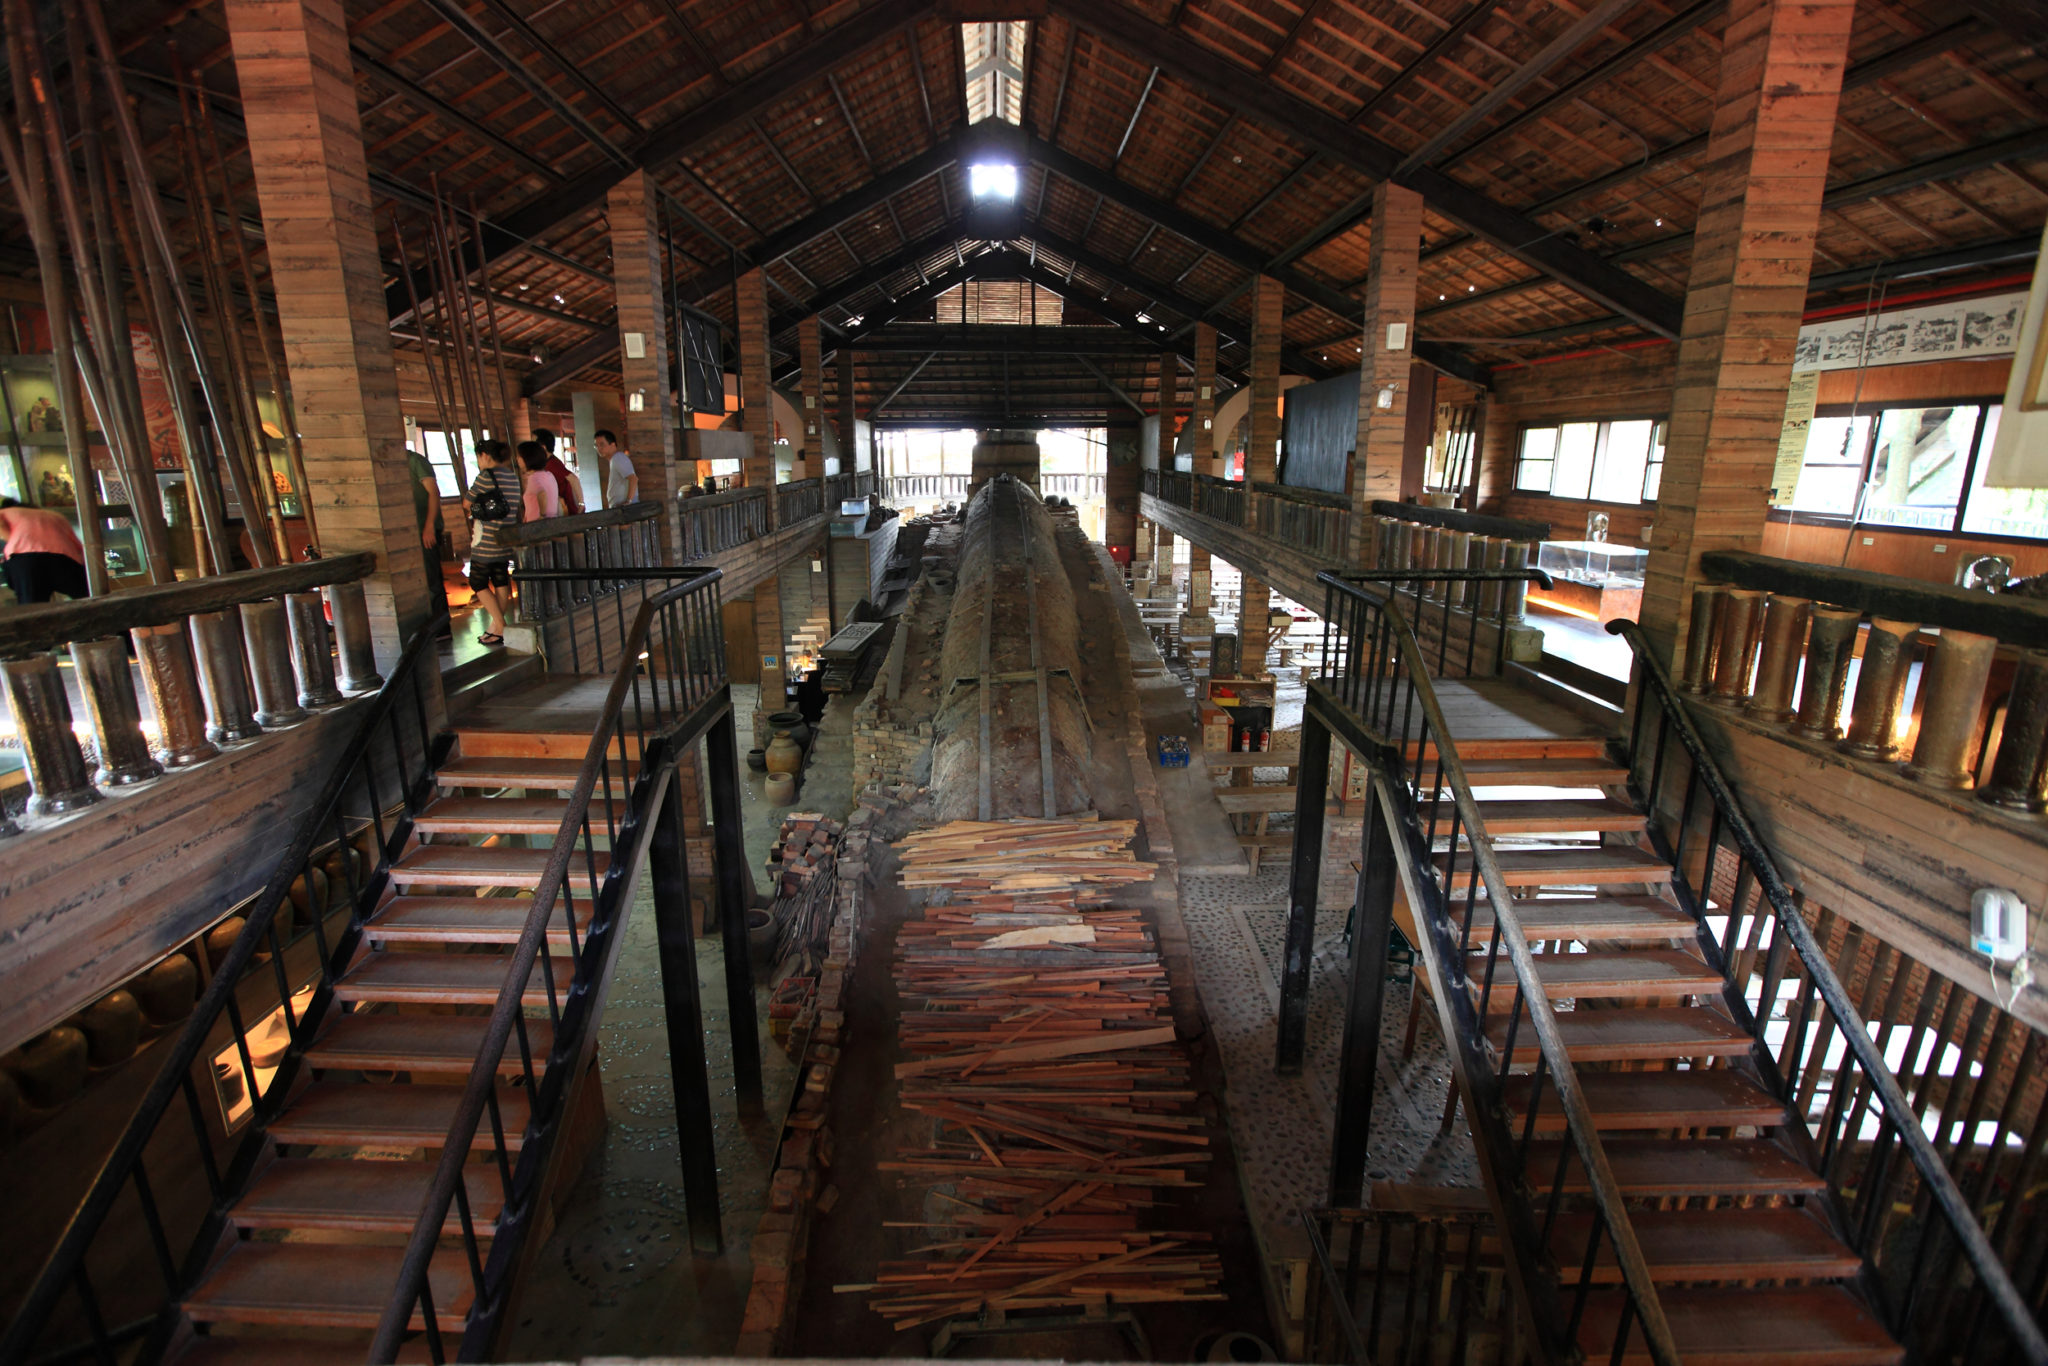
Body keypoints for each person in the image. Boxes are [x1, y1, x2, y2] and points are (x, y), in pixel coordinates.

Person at [462, 440, 524, 647]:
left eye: (479, 457)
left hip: (487, 536)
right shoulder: (513, 477)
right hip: (506, 536)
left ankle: (500, 624)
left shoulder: (486, 476)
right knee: (499, 578)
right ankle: (496, 628)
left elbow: (466, 503)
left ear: (485, 456)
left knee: (477, 581)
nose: (479, 461)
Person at [0, 497, 90, 603]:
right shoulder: (54, 515)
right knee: (89, 597)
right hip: (64, 559)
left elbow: (1, 526)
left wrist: (10, 543)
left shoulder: (3, 512)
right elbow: (77, 545)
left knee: (33, 609)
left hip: (26, 560)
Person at [408, 447, 450, 635]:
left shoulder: (415, 461)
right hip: (409, 530)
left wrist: (429, 526)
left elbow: (434, 492)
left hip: (424, 529)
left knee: (431, 579)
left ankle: (441, 629)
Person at [531, 427, 582, 515]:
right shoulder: (548, 463)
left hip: (565, 511)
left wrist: (581, 504)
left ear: (543, 447)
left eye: (533, 444)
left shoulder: (552, 464)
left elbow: (574, 479)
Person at [517, 441, 562, 522]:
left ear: (527, 458)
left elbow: (542, 494)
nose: (517, 459)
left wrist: (542, 516)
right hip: (552, 523)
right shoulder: (549, 475)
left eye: (519, 456)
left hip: (537, 527)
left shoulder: (533, 478)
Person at [595, 428, 636, 507]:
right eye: (596, 446)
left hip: (626, 510)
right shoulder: (614, 460)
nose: (599, 448)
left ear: (613, 444)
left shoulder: (618, 458)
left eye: (602, 444)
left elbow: (633, 478)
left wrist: (628, 501)